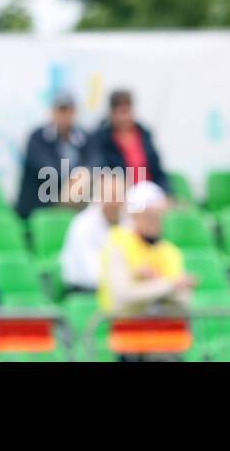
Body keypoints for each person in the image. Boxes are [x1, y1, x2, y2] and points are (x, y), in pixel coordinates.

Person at [97, 181, 193, 317]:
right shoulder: (118, 243)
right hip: (123, 327)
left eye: (158, 216)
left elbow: (183, 298)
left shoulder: (169, 251)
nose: (154, 222)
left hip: (167, 328)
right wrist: (167, 284)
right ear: (134, 217)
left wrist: (148, 284)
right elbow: (123, 296)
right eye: (148, 215)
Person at [17, 90, 90, 218]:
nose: (64, 115)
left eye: (68, 111)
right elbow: (47, 171)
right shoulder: (37, 138)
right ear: (52, 112)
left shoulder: (83, 137)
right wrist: (75, 179)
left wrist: (80, 176)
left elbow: (95, 162)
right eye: (61, 110)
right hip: (42, 203)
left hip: (75, 196)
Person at [60, 172, 128, 294]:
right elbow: (91, 273)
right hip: (84, 290)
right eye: (111, 198)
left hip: (119, 288)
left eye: (119, 198)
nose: (115, 203)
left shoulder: (127, 222)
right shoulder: (83, 225)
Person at [89, 90, 168, 191]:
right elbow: (98, 166)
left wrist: (167, 192)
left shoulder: (145, 135)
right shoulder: (101, 139)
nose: (123, 118)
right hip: (119, 191)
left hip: (147, 189)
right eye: (120, 112)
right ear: (111, 113)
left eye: (126, 111)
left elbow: (158, 171)